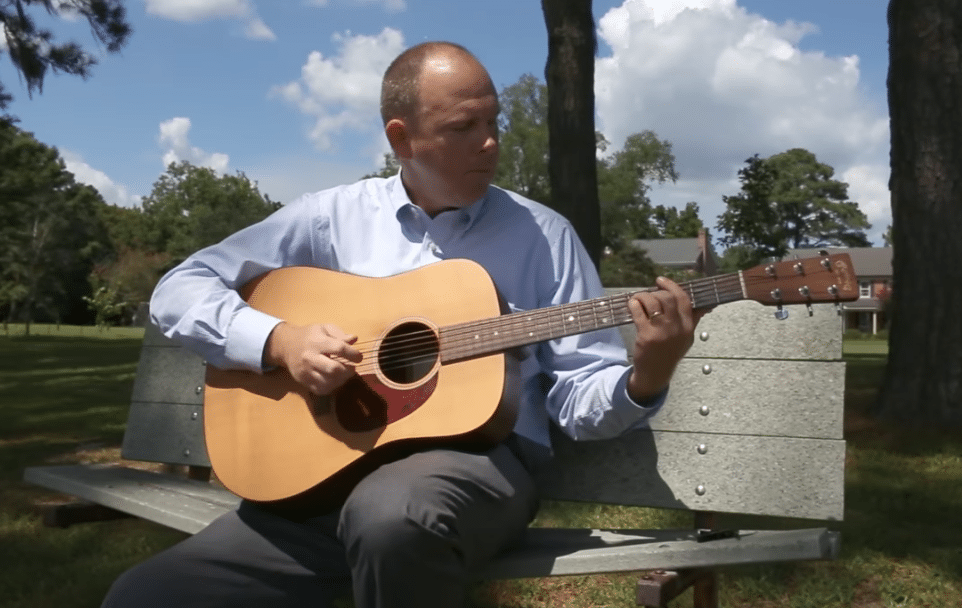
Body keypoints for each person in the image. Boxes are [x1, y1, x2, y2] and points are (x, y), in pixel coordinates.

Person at [102, 41, 701, 608]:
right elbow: (179, 289)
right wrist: (280, 341)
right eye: (464, 127)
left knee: (392, 517)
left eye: (493, 121)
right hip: (314, 485)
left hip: (473, 471)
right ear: (401, 137)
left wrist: (645, 376)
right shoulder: (330, 218)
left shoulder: (544, 236)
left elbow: (577, 399)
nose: (490, 142)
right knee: (144, 596)